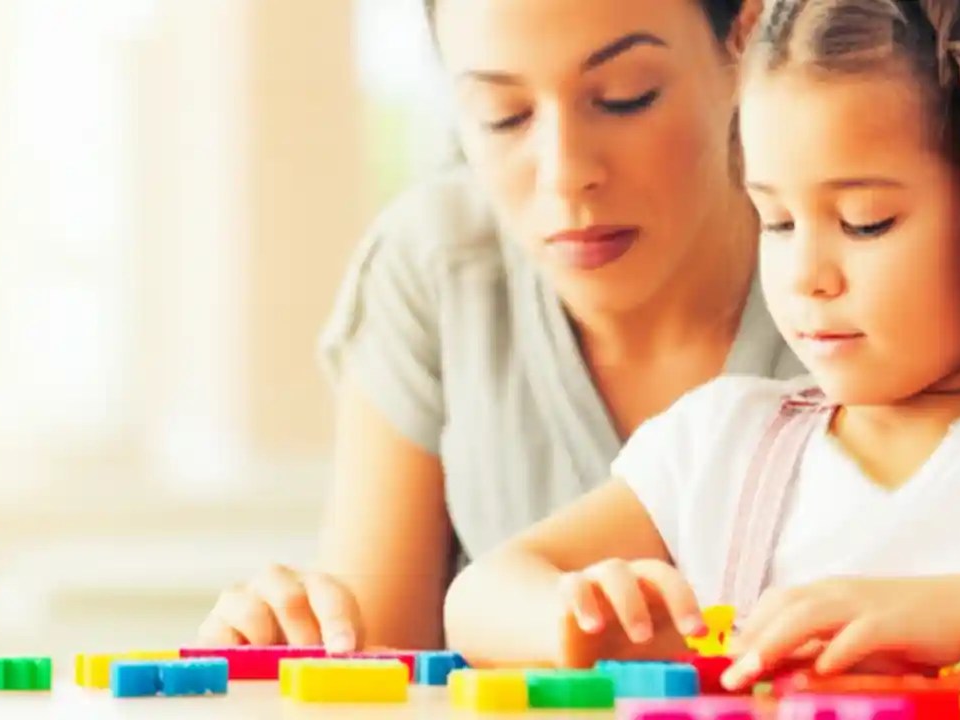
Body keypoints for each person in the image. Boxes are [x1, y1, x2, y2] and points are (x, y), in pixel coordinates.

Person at [443, 0, 960, 685]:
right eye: (777, 221)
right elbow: (480, 595)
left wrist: (956, 613)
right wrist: (574, 616)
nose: (806, 277)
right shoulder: (720, 447)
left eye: (865, 222)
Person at [196, 0, 803, 653]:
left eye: (626, 97)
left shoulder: (862, 266)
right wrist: (290, 640)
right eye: (502, 115)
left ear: (744, 37)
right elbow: (373, 662)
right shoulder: (438, 266)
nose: (565, 173)